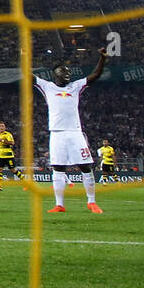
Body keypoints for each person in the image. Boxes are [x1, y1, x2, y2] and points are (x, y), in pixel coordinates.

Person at [35, 49, 107, 213]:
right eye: (62, 71)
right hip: (57, 134)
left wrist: (102, 58)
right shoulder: (47, 87)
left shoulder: (76, 86)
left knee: (86, 167)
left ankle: (92, 202)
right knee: (58, 169)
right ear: (55, 75)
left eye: (68, 72)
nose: (66, 74)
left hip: (75, 132)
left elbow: (96, 75)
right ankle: (59, 205)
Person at [0, 121, 17, 191]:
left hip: (8, 155)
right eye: (0, 126)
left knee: (13, 170)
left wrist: (2, 140)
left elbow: (12, 143)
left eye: (2, 126)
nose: (1, 127)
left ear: (5, 127)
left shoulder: (8, 134)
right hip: (0, 155)